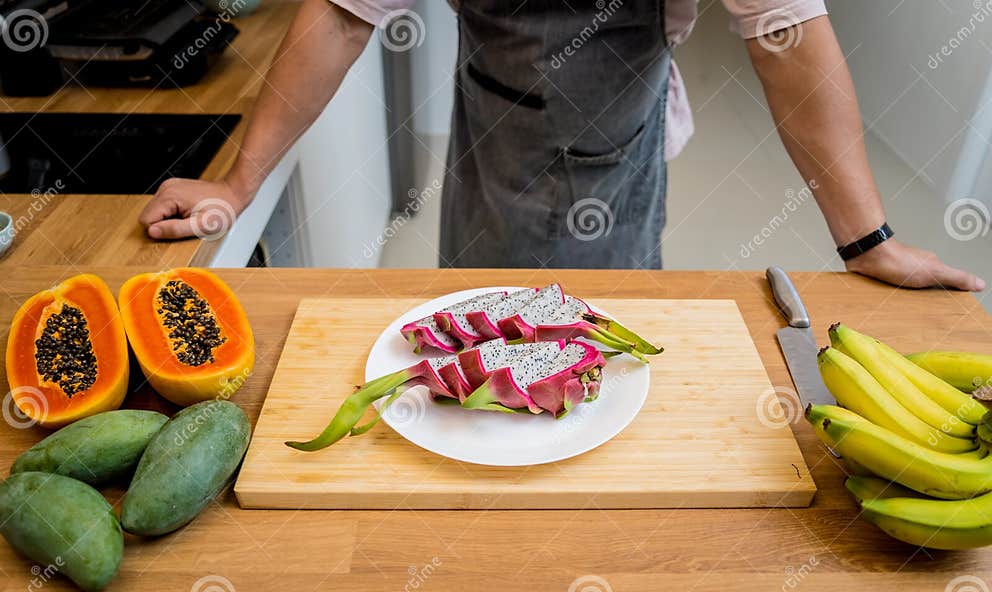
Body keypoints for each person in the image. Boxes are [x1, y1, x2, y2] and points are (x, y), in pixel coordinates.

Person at [139, 0, 985, 291]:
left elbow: (783, 32)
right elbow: (342, 12)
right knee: (476, 332)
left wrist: (867, 242)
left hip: (615, 138)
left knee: (588, 353)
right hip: (487, 122)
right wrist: (239, 184)